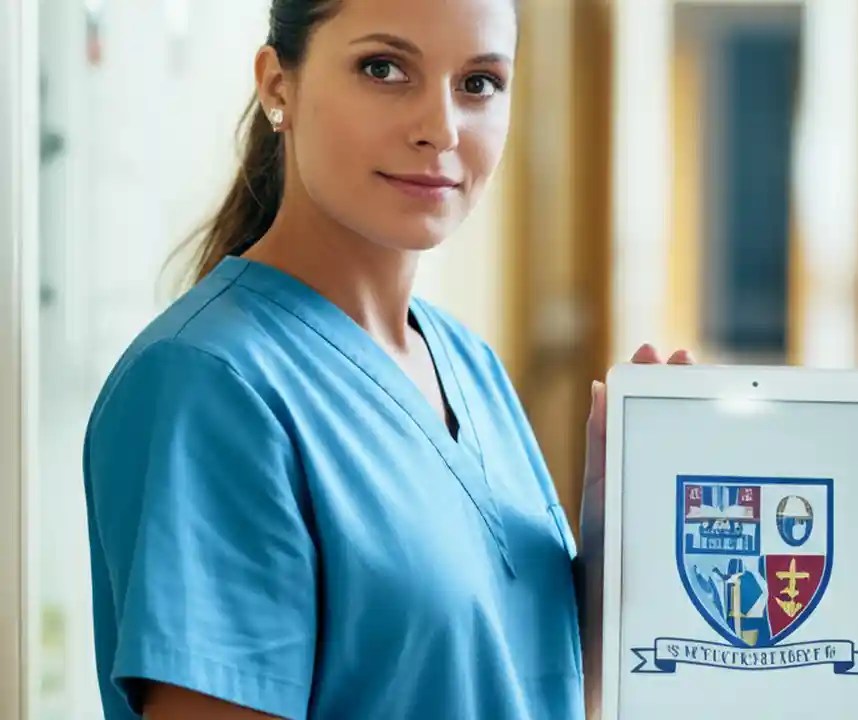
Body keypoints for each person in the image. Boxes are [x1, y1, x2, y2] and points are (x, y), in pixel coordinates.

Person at [80, 0, 691, 717]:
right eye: (384, 68)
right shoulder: (209, 386)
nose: (440, 128)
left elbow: (516, 691)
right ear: (278, 85)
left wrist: (618, 557)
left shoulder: (469, 364)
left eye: (480, 82)